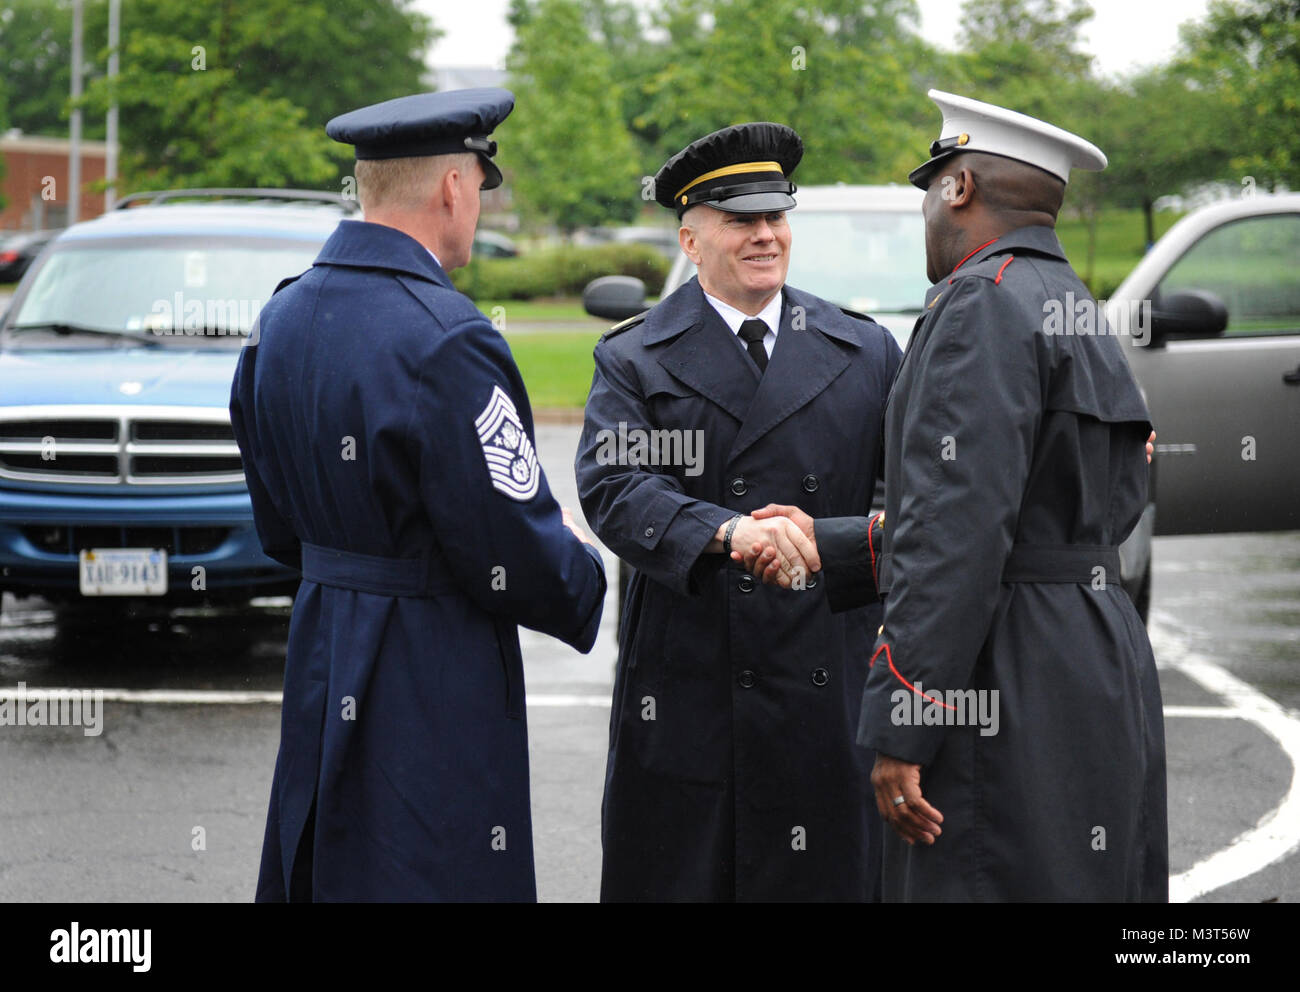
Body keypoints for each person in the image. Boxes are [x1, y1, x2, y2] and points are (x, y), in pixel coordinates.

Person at [744, 90, 1168, 902]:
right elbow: (1037, 506)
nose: (926, 214)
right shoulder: (1069, 299)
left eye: (928, 188)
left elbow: (958, 536)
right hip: (1090, 653)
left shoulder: (979, 302)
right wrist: (836, 543)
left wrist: (908, 719)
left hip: (1002, 669)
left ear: (960, 188)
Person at [231, 88, 607, 902]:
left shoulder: (280, 317)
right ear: (452, 188)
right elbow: (513, 542)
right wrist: (579, 568)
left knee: (324, 865)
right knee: (436, 868)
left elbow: (276, 520)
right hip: (429, 670)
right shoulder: (449, 339)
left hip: (323, 639)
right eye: (481, 183)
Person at [575, 122, 902, 901]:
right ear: (691, 238)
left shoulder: (865, 349)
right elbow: (613, 489)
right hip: (693, 688)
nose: (764, 236)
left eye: (775, 217)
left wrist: (836, 542)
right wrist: (727, 532)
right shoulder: (635, 358)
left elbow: (910, 498)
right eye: (739, 221)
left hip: (828, 684)